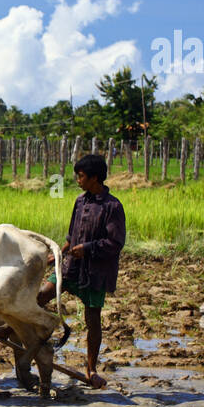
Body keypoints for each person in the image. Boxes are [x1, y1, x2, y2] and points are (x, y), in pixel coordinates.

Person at [38, 153, 126, 388]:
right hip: (70, 266)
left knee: (92, 320)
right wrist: (57, 254)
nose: (77, 180)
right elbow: (71, 236)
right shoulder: (80, 201)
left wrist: (87, 249)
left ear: (95, 178)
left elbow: (115, 243)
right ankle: (28, 337)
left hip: (95, 273)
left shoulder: (113, 207)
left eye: (81, 176)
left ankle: (91, 369)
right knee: (40, 296)